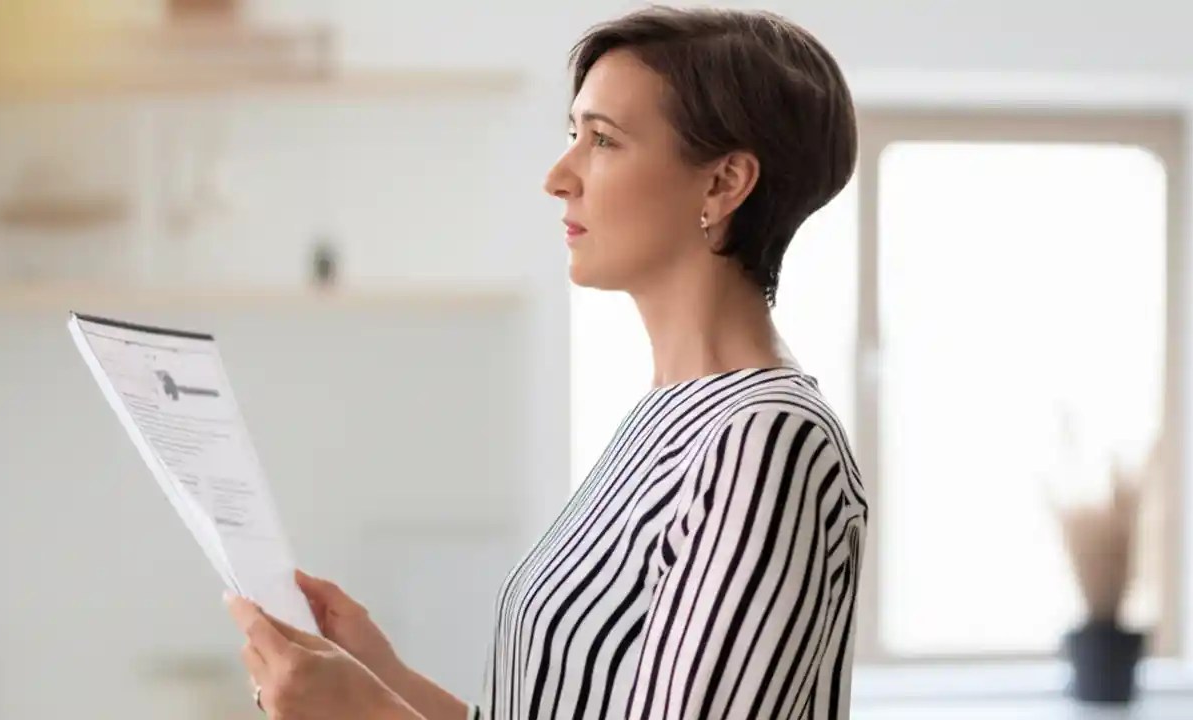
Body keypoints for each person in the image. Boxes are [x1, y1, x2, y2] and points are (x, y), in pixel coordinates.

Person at [224, 5, 868, 719]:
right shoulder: (665, 421)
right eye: (574, 134)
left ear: (722, 184)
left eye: (603, 139)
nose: (559, 176)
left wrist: (364, 714)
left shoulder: (766, 441)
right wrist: (380, 674)